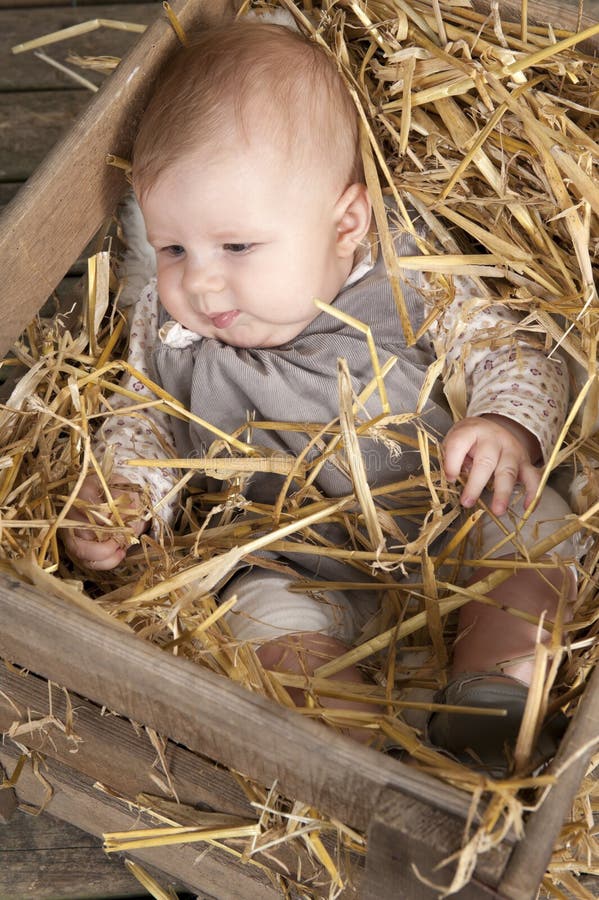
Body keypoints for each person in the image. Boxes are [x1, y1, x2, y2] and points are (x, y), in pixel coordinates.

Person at [62, 19, 577, 775]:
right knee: (257, 624)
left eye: (236, 247)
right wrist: (127, 502)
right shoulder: (166, 332)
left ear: (344, 226)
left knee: (533, 530)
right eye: (173, 247)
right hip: (294, 560)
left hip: (449, 516)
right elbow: (143, 425)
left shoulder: (408, 277)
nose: (199, 281)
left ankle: (494, 691)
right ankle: (362, 752)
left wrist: (502, 424)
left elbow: (510, 349)